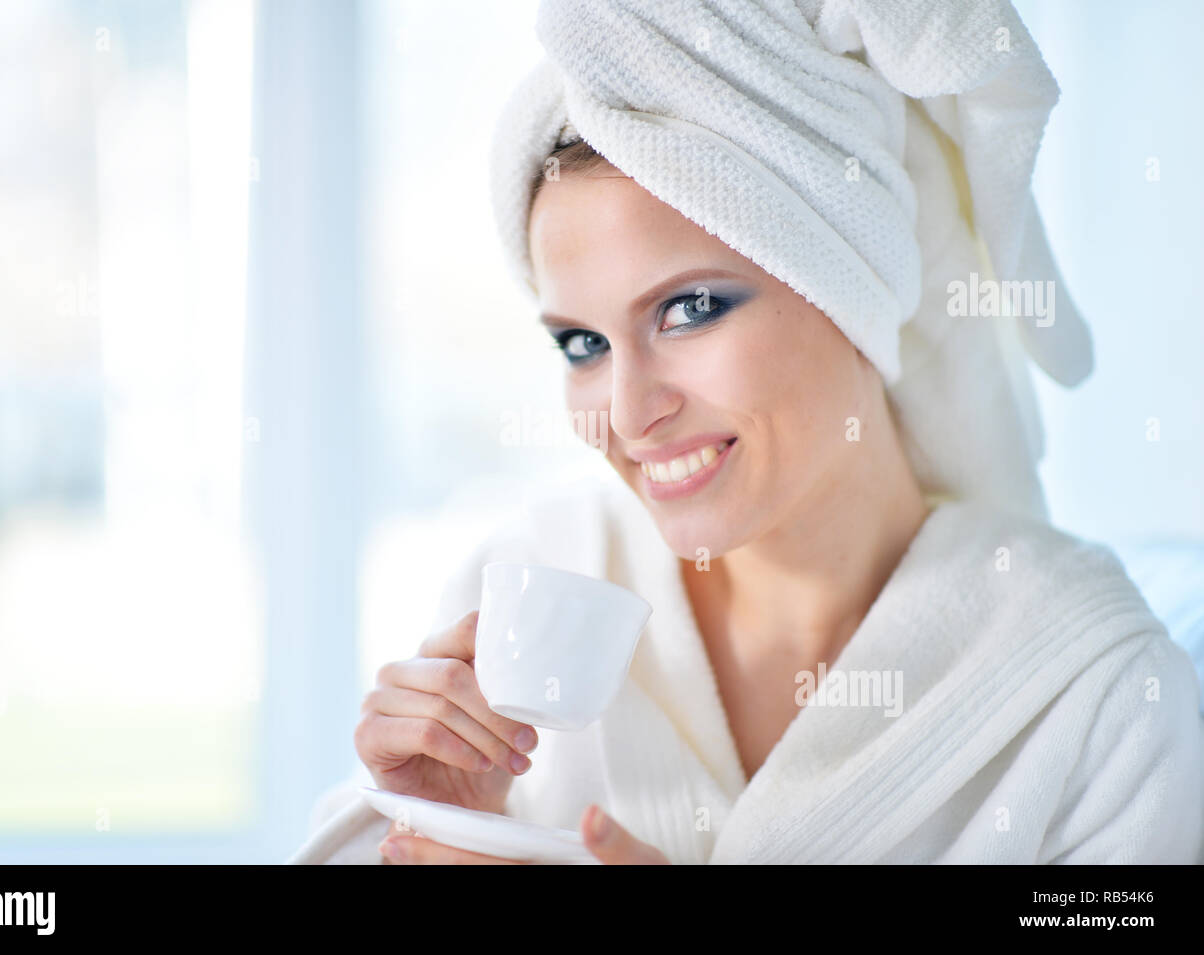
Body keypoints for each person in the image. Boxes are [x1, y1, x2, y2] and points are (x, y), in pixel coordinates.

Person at [289, 0, 1204, 864]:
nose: (628, 409)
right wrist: (426, 817)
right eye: (582, 343)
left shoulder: (1098, 693)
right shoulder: (536, 583)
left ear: (856, 289)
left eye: (689, 308)